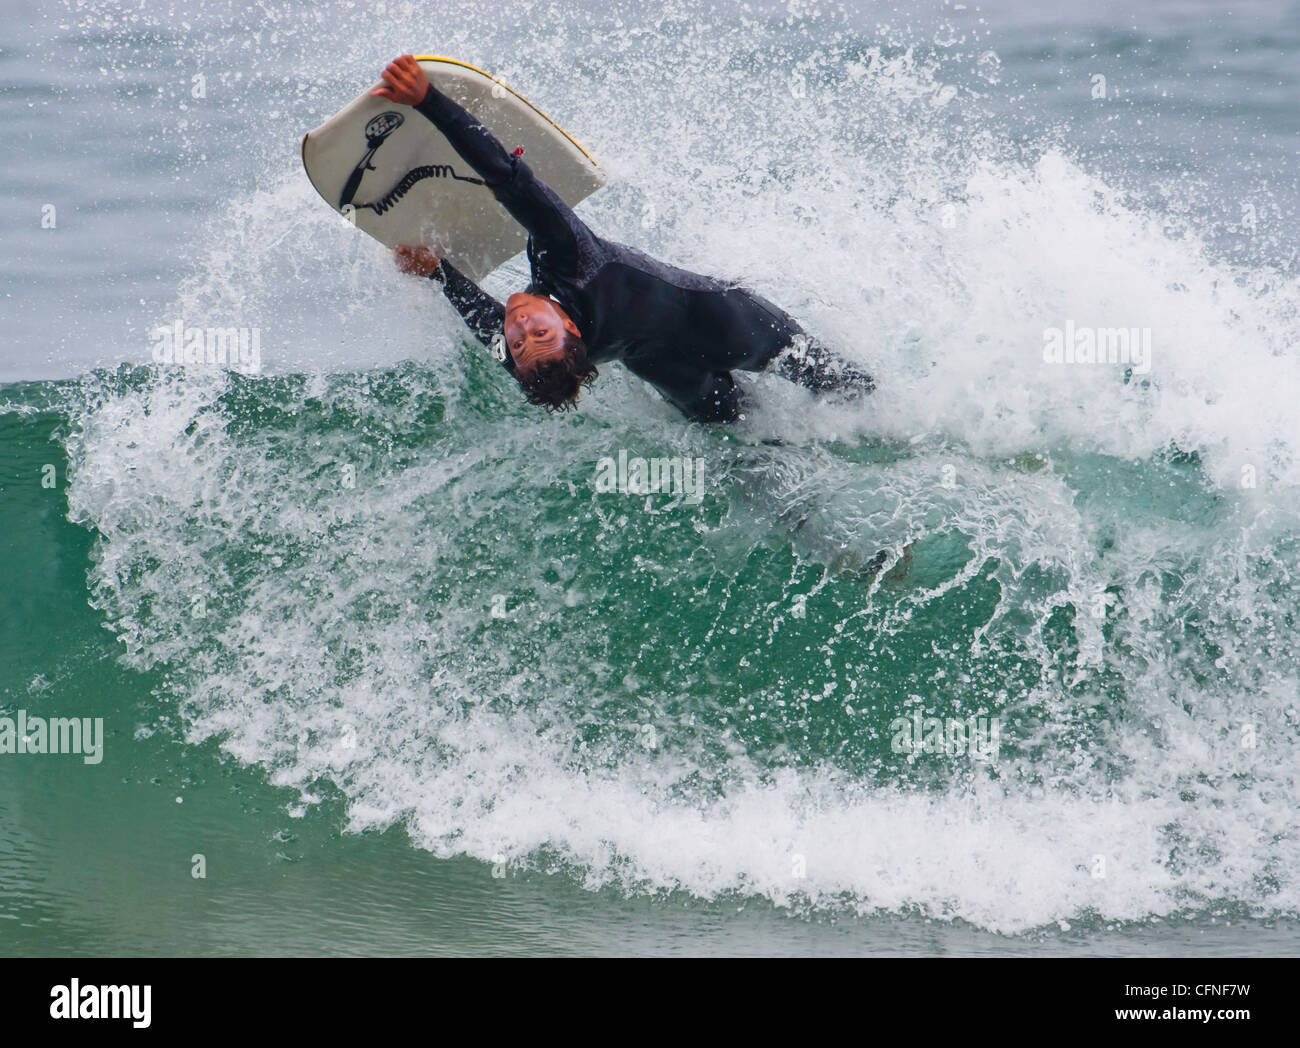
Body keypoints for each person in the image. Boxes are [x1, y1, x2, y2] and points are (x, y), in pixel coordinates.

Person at [376, 54, 873, 423]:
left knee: (827, 383)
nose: (521, 326)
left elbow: (486, 309)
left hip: (703, 340)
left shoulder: (538, 341)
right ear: (569, 327)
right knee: (749, 450)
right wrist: (426, 101)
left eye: (521, 341)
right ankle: (842, 543)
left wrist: (438, 270)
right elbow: (507, 178)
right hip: (717, 330)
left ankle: (882, 423)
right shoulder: (567, 266)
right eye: (538, 335)